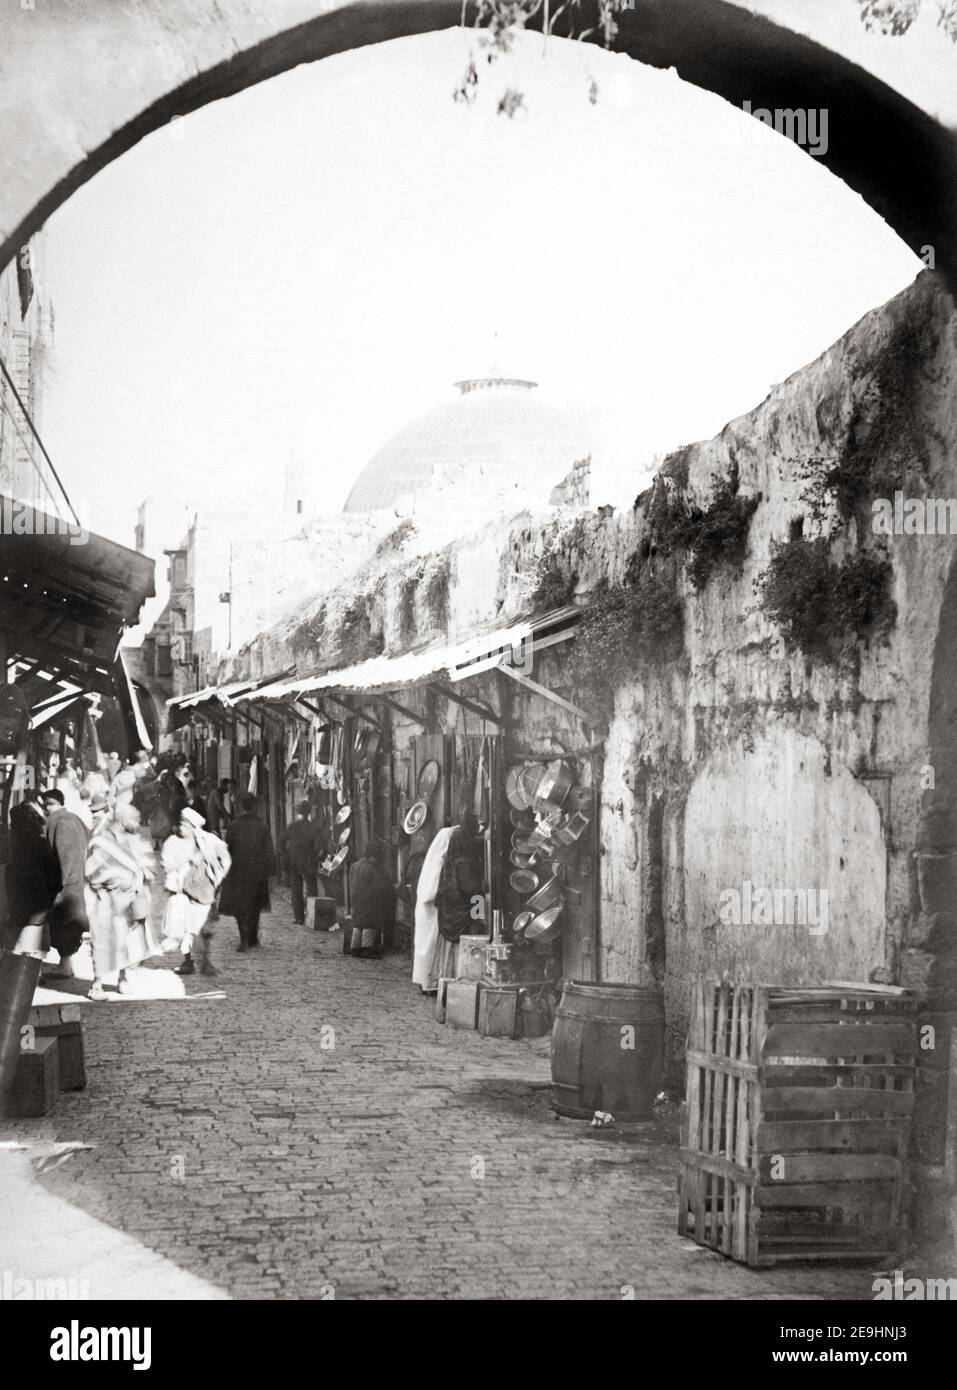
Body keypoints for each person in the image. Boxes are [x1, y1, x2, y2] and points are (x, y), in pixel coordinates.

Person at [84, 795, 158, 1001]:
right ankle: (96, 986)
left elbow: (143, 863)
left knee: (131, 943)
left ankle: (123, 978)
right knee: (103, 942)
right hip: (108, 901)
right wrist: (118, 882)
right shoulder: (101, 839)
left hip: (132, 901)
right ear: (123, 820)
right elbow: (94, 870)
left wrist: (143, 872)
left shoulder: (133, 840)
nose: (138, 823)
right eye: (135, 820)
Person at [160, 807, 230, 976]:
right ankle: (188, 961)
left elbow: (225, 858)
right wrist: (186, 862)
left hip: (203, 892)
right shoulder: (172, 842)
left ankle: (205, 961)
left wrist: (218, 877)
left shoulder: (207, 841)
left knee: (203, 927)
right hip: (182, 891)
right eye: (181, 823)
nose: (182, 827)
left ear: (194, 826)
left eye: (186, 824)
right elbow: (166, 864)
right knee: (185, 927)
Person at [41, 787, 91, 975]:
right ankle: (66, 964)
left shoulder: (60, 822)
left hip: (65, 886)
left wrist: (57, 884)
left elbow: (64, 856)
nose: (46, 809)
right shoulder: (73, 818)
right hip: (77, 881)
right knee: (69, 925)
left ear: (52, 805)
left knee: (63, 924)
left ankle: (65, 966)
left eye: (47, 805)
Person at [219, 793, 276, 951]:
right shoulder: (262, 826)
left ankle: (244, 938)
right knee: (255, 905)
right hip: (257, 872)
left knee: (240, 906)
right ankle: (252, 938)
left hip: (238, 872)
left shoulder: (234, 826)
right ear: (255, 807)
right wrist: (271, 873)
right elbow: (269, 851)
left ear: (242, 807)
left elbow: (227, 850)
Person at [4, 800, 57, 953]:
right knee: (30, 953)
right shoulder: (41, 844)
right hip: (37, 907)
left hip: (14, 907)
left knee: (13, 951)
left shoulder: (8, 845)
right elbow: (53, 877)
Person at [411, 825, 455, 994]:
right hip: (431, 911)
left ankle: (428, 982)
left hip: (429, 910)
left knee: (427, 947)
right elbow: (432, 892)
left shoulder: (434, 860)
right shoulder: (437, 863)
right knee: (429, 948)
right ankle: (429, 983)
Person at [436, 813, 485, 945]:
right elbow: (469, 888)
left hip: (452, 908)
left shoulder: (452, 856)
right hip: (463, 910)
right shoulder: (464, 861)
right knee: (479, 916)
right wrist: (483, 887)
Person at [349, 842, 396, 959]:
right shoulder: (371, 868)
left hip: (356, 900)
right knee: (369, 924)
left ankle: (354, 948)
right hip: (369, 901)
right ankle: (366, 949)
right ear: (373, 855)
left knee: (358, 924)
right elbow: (377, 887)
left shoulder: (355, 865)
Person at [283, 800, 320, 925]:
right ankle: (312, 917)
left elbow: (282, 842)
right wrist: (317, 858)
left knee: (296, 889)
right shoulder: (313, 826)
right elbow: (321, 846)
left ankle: (298, 918)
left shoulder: (293, 826)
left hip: (294, 859)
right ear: (309, 812)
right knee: (312, 888)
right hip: (309, 860)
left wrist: (286, 856)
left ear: (298, 812)